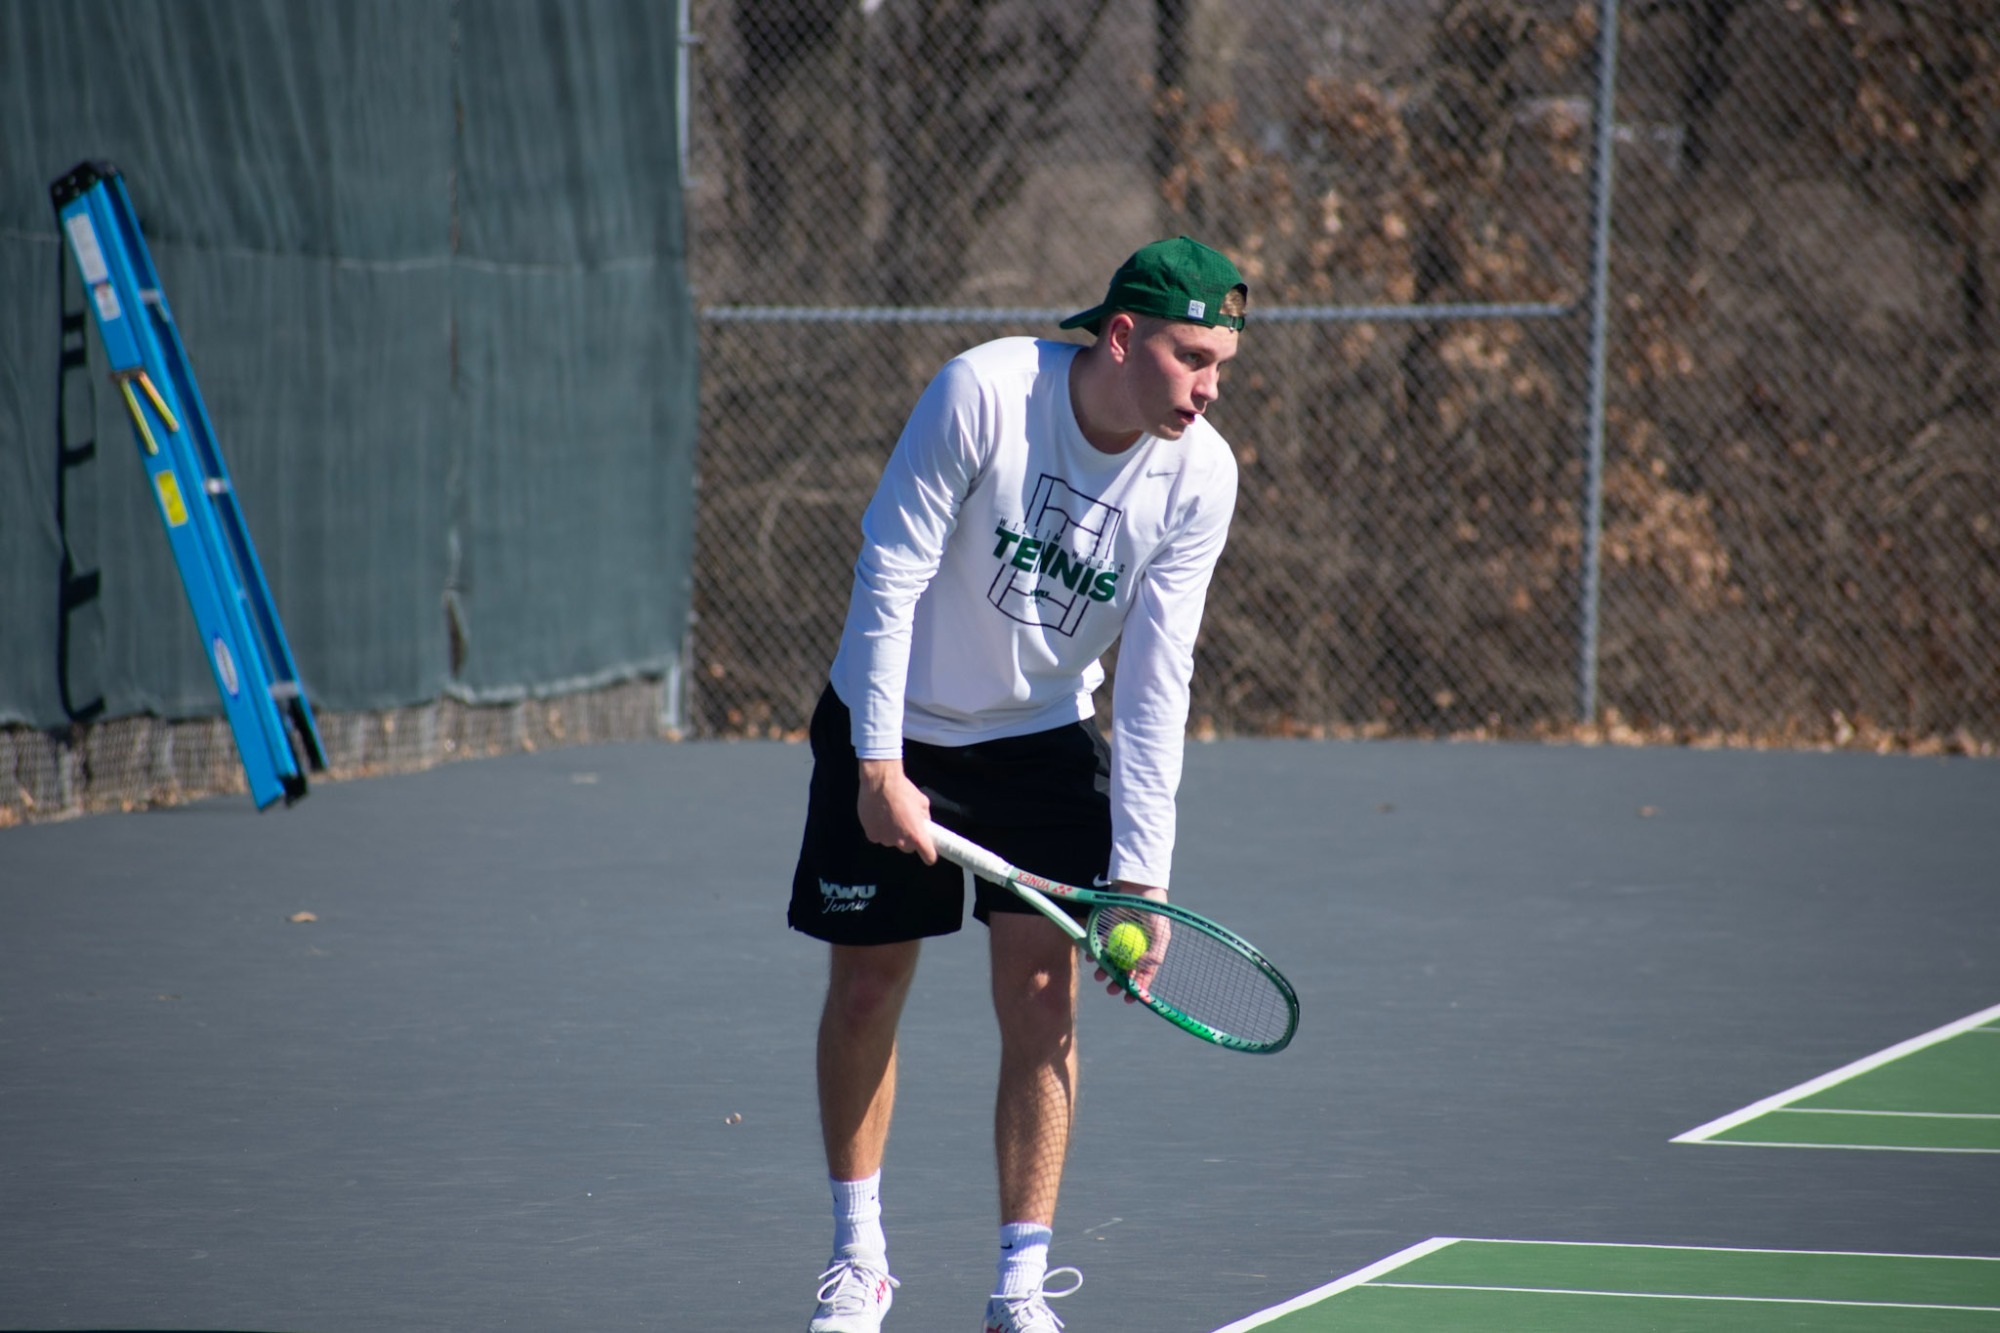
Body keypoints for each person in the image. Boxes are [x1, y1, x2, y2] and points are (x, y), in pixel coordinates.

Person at [790, 237, 1247, 1333]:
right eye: (1192, 357)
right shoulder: (984, 393)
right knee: (864, 990)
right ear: (1123, 336)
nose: (1209, 387)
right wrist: (878, 765)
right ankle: (861, 1263)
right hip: (894, 720)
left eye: (1224, 363)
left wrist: (1140, 875)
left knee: (1044, 1002)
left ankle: (1019, 1289)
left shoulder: (1202, 475)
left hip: (1041, 740)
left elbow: (1153, 683)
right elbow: (889, 568)